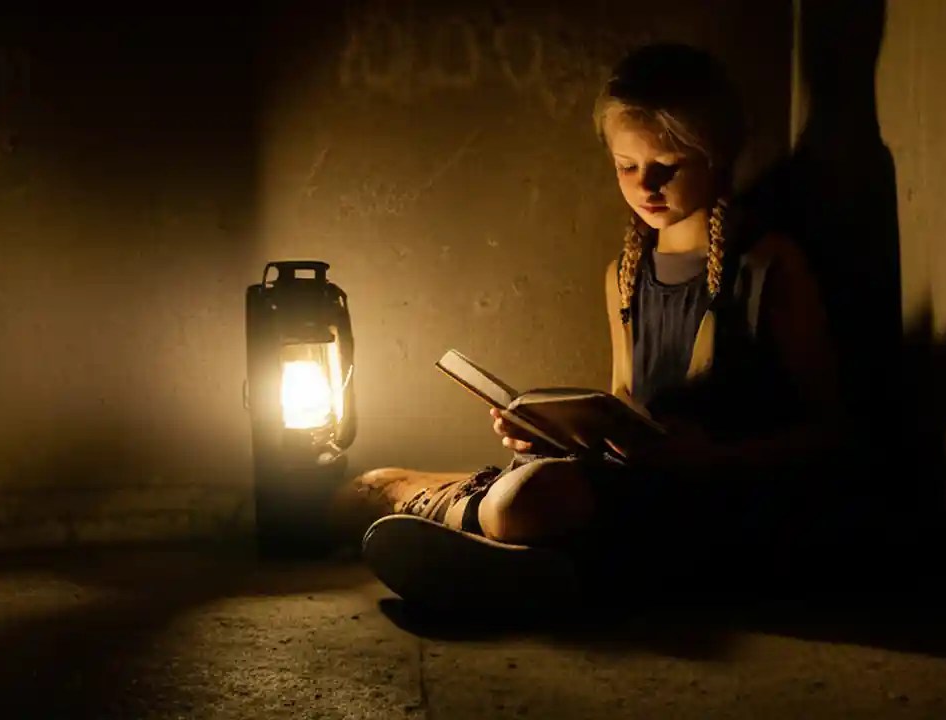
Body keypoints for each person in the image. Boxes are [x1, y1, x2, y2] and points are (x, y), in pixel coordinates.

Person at [353, 43, 845, 608]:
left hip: (719, 497)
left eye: (668, 166)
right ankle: (511, 551)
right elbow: (623, 410)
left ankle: (487, 539)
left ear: (718, 155)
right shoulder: (624, 277)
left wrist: (711, 458)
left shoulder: (768, 264)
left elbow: (831, 436)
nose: (646, 186)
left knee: (530, 498)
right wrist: (554, 433)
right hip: (638, 488)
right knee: (523, 478)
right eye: (627, 167)